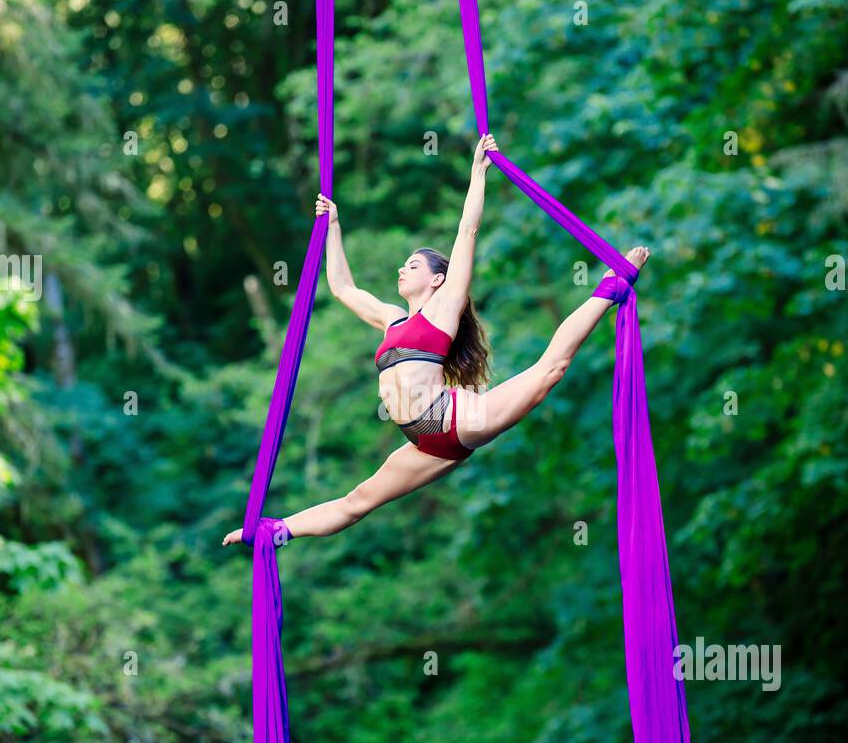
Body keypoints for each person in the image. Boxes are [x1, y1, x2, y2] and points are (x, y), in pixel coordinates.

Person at [223, 135, 649, 545]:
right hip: (426, 443)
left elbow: (467, 233)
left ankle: (610, 288)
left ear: (437, 279)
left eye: (412, 265)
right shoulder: (392, 321)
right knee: (357, 502)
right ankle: (275, 532)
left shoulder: (444, 310)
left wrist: (478, 173)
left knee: (548, 373)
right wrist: (333, 225)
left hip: (457, 418)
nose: (401, 271)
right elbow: (343, 289)